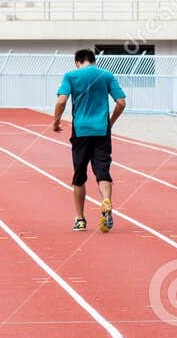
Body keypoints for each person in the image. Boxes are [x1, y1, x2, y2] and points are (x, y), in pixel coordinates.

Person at [52, 48, 127, 233]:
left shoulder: (71, 76)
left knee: (79, 176)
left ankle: (80, 219)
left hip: (81, 131)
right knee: (102, 170)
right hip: (102, 131)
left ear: (77, 62)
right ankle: (106, 201)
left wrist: (55, 122)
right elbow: (122, 102)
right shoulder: (106, 75)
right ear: (93, 60)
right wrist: (110, 122)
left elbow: (61, 101)